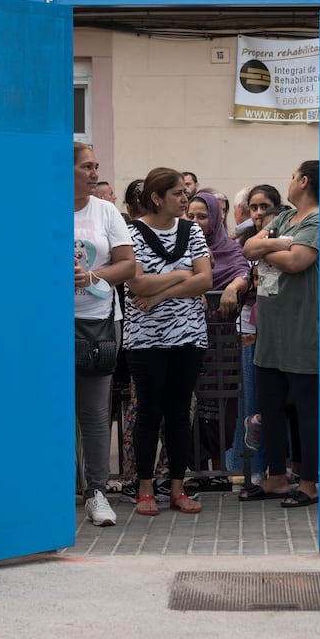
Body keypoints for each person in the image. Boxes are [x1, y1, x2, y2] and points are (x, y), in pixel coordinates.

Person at [125, 168, 212, 515]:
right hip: (145, 339)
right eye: (177, 193)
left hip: (189, 335)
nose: (185, 198)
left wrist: (161, 294)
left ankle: (177, 487)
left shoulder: (192, 230)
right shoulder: (130, 232)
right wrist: (179, 274)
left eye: (185, 192)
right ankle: (144, 488)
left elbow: (204, 280)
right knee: (147, 412)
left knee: (179, 413)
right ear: (157, 197)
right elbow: (137, 286)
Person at [239, 162, 320, 508]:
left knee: (305, 411)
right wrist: (281, 242)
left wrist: (274, 247)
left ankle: (308, 483)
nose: (289, 182)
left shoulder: (318, 220)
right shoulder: (285, 219)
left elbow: (297, 261)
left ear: (303, 181)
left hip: (302, 330)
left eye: (292, 176)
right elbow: (248, 249)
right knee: (270, 407)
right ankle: (275, 477)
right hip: (270, 333)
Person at [74, 142, 134, 526]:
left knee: (95, 414)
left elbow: (128, 265)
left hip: (98, 322)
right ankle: (56, 491)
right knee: (51, 411)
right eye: (87, 166)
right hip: (46, 323)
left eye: (96, 166)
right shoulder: (39, 205)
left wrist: (93, 275)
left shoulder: (106, 210)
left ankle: (97, 492)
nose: (96, 173)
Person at [185, 190, 251, 478]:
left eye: (203, 216)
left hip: (222, 341)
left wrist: (231, 288)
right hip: (187, 339)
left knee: (223, 409)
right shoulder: (180, 245)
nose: (197, 222)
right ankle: (195, 471)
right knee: (190, 409)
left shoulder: (228, 247)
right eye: (191, 216)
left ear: (216, 217)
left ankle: (219, 471)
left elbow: (242, 271)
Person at [225, 183, 282, 482]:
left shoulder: (287, 237)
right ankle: (251, 470)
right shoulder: (242, 242)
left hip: (281, 330)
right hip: (249, 329)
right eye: (253, 208)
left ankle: (281, 468)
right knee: (251, 406)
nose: (258, 213)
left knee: (280, 405)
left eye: (264, 207)